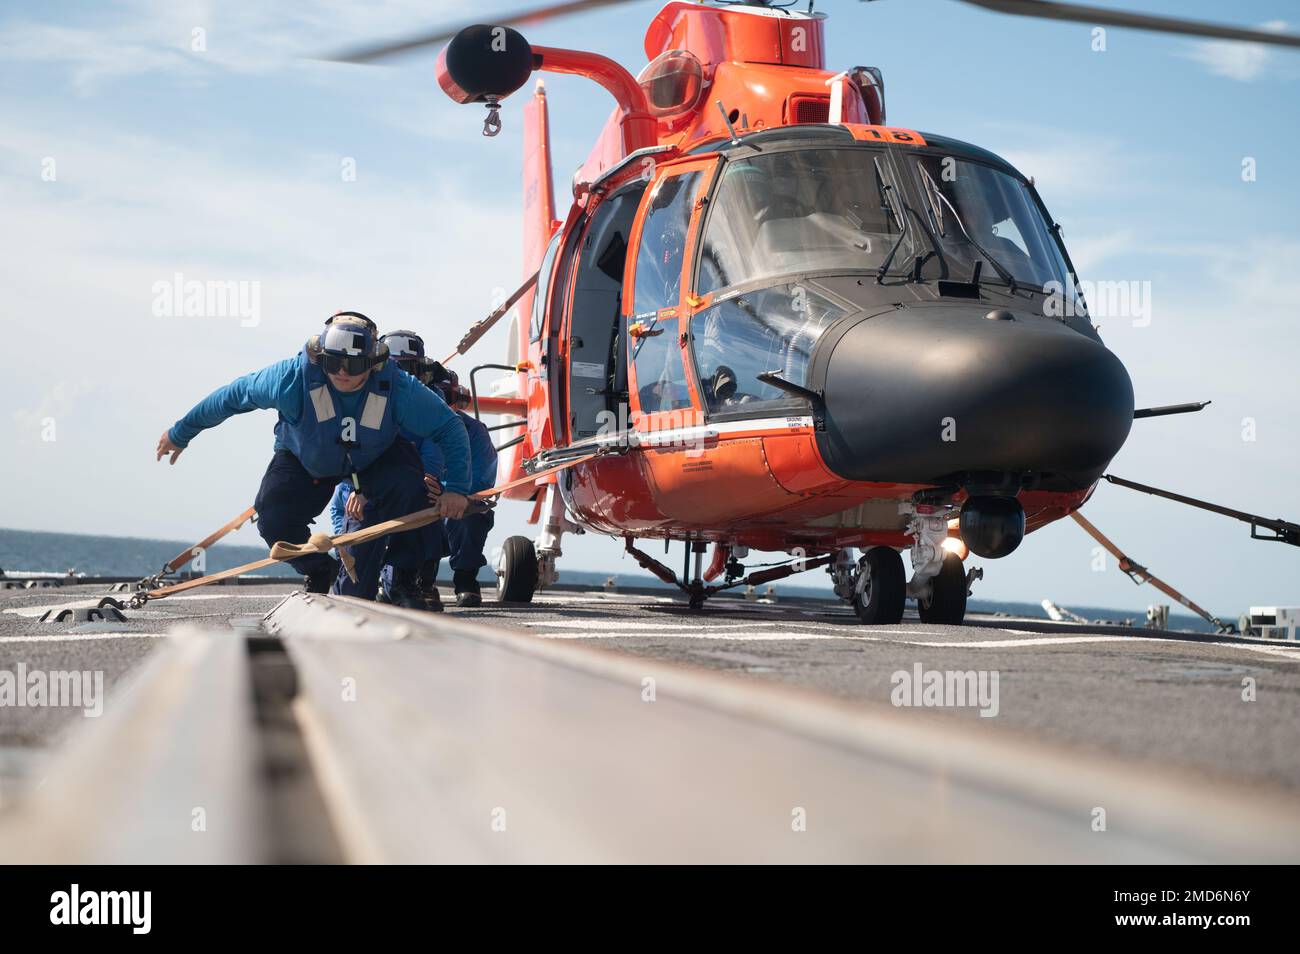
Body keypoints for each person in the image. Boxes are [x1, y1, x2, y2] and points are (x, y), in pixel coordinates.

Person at [156, 312, 471, 608]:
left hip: (377, 458)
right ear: (321, 358)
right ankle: (321, 569)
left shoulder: (398, 387)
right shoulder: (290, 378)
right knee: (273, 519)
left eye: (353, 363)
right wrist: (181, 432)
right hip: (306, 460)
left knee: (411, 487)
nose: (343, 372)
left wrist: (456, 488)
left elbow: (449, 427)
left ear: (373, 363)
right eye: (334, 362)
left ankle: (403, 580)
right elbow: (232, 397)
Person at [329, 329, 452, 611]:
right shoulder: (356, 398)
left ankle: (406, 581)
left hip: (411, 489)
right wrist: (363, 489)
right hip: (363, 495)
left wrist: (435, 488)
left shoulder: (431, 404)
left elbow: (433, 460)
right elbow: (349, 457)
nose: (403, 377)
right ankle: (337, 571)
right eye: (396, 367)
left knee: (426, 494)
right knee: (352, 596)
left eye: (410, 369)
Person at [423, 363, 499, 607]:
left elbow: (482, 479)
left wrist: (444, 492)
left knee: (470, 516)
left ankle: (466, 580)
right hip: (421, 505)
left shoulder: (475, 432)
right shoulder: (410, 426)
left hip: (457, 507)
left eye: (448, 397)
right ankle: (419, 581)